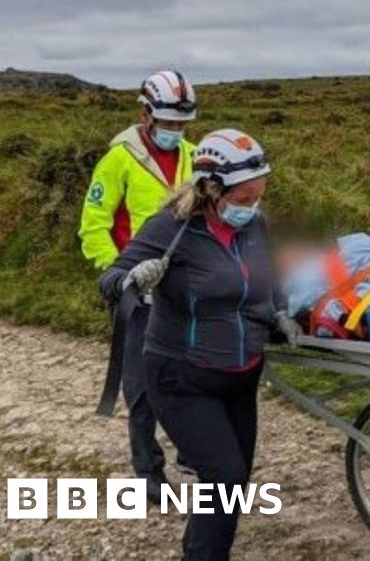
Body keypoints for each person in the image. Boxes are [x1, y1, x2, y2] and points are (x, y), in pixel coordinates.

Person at [98, 129, 300, 560]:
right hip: (181, 377)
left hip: (241, 377)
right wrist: (133, 278)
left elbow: (270, 279)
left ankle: (198, 550)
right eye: (243, 199)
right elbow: (110, 279)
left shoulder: (256, 225)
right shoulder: (170, 228)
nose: (252, 207)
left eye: (258, 197)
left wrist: (281, 312)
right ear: (211, 188)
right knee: (225, 478)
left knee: (231, 485)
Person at [79, 70, 197, 500]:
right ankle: (148, 470)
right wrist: (118, 276)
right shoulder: (118, 160)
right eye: (167, 122)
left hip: (184, 287)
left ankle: (191, 450)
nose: (174, 130)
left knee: (192, 373)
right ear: (145, 114)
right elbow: (94, 224)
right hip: (138, 289)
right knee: (142, 383)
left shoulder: (194, 156)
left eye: (181, 123)